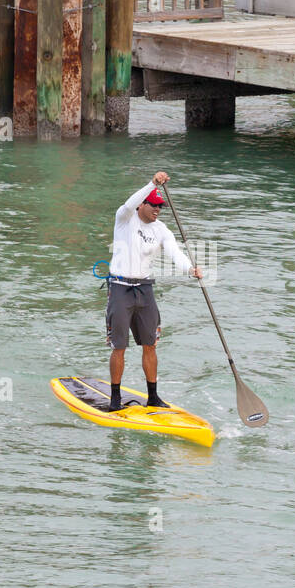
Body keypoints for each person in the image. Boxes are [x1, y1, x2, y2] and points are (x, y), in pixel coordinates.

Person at [105, 171, 202, 412]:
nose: (158, 210)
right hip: (120, 288)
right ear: (142, 205)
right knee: (119, 346)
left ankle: (153, 396)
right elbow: (129, 203)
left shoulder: (161, 229)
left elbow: (175, 252)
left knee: (150, 344)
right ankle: (115, 399)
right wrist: (152, 183)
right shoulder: (125, 218)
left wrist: (190, 269)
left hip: (145, 290)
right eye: (154, 205)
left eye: (161, 206)